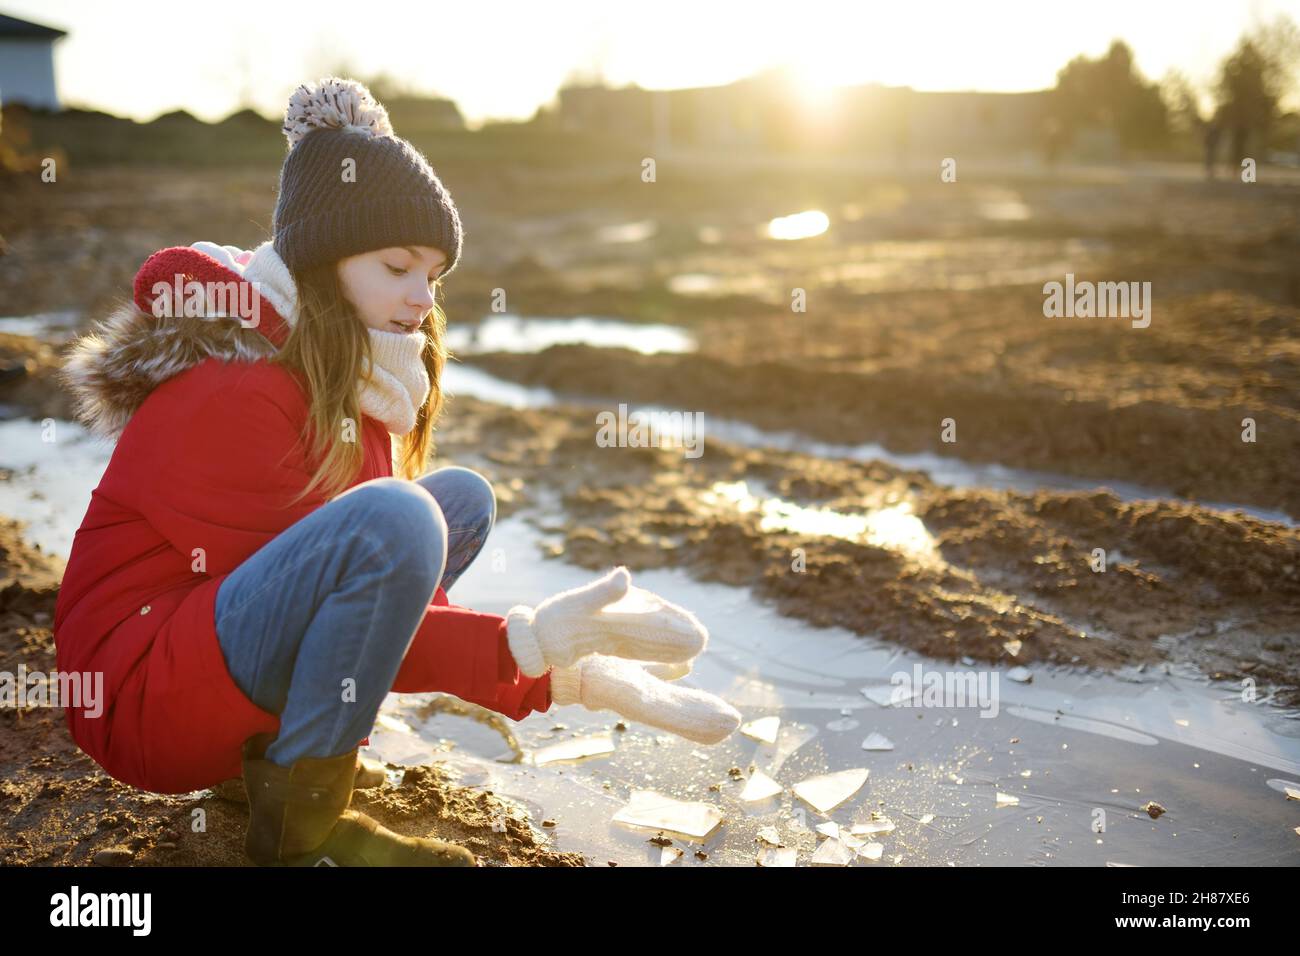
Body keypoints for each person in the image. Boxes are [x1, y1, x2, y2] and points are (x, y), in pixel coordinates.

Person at [53, 77, 740, 868]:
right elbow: (349, 606)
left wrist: (556, 672)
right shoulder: (235, 388)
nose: (422, 299)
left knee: (456, 502)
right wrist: (533, 650)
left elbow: (382, 605)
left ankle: (278, 773)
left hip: (208, 655)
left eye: (434, 276)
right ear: (322, 260)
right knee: (401, 518)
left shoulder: (342, 375)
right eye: (397, 267)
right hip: (141, 697)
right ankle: (302, 831)